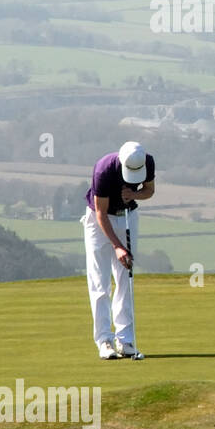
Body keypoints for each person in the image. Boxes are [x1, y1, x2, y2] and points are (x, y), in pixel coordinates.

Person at [83, 141, 155, 359]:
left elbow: (149, 191)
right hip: (99, 221)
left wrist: (134, 195)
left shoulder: (148, 162)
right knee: (100, 282)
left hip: (127, 216)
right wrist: (117, 246)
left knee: (126, 278)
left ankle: (125, 340)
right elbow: (101, 214)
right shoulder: (104, 169)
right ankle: (104, 340)